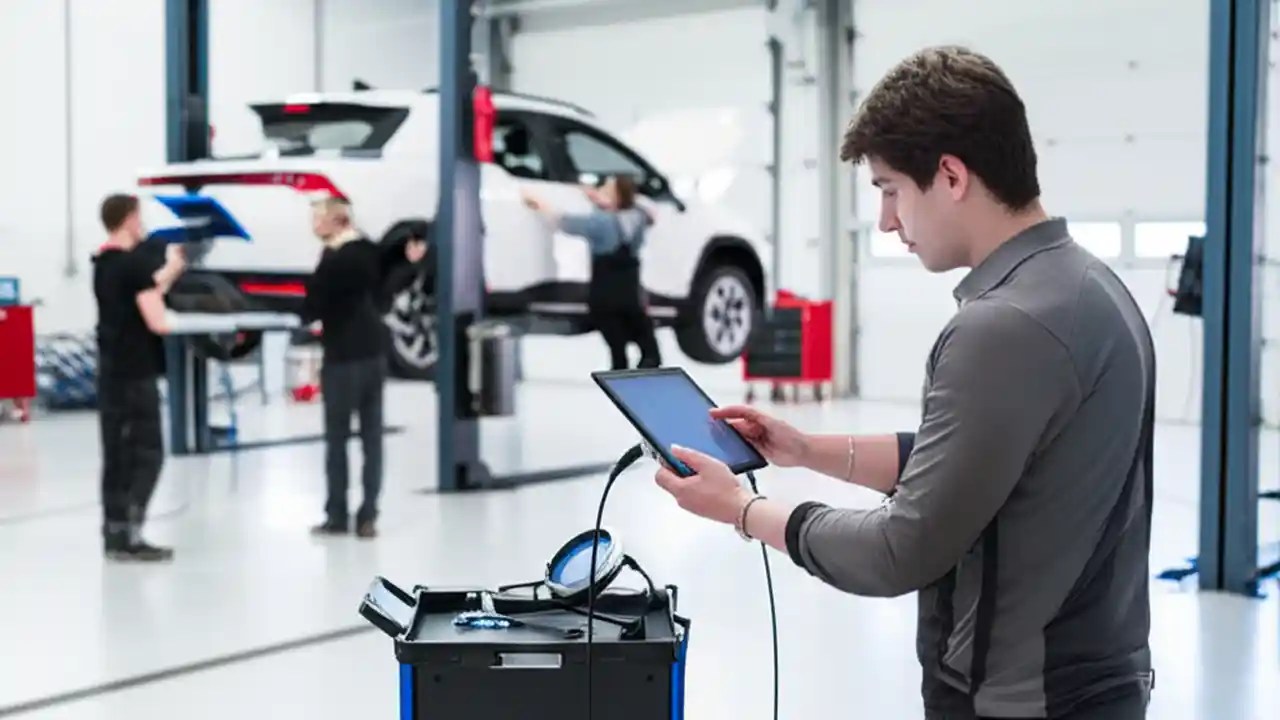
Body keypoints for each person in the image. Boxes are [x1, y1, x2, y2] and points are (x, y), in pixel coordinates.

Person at [652, 46, 1156, 720]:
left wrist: (742, 511)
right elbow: (979, 459)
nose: (888, 221)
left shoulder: (1003, 327)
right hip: (1092, 688)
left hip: (1018, 703)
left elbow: (900, 551)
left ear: (950, 175)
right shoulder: (1088, 287)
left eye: (890, 189)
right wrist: (807, 450)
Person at [302, 198, 424, 539]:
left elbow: (313, 305)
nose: (313, 225)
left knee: (337, 440)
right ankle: (368, 515)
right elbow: (387, 293)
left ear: (337, 221)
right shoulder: (372, 252)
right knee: (372, 439)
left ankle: (337, 515)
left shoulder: (334, 259)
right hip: (373, 354)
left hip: (342, 357)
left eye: (318, 219)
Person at [93, 193, 187, 562]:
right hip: (136, 375)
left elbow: (141, 292)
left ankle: (115, 533)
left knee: (117, 455)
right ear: (130, 219)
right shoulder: (132, 265)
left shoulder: (104, 262)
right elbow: (157, 320)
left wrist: (171, 271)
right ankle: (133, 535)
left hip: (111, 373)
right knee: (147, 453)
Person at [522, 175, 662, 370]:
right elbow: (647, 212)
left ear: (615, 198)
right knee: (638, 325)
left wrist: (538, 203)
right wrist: (602, 198)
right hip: (631, 290)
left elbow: (563, 222)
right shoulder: (637, 217)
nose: (600, 191)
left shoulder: (601, 223)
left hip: (605, 291)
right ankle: (649, 358)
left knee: (614, 339)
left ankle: (620, 368)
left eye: (606, 189)